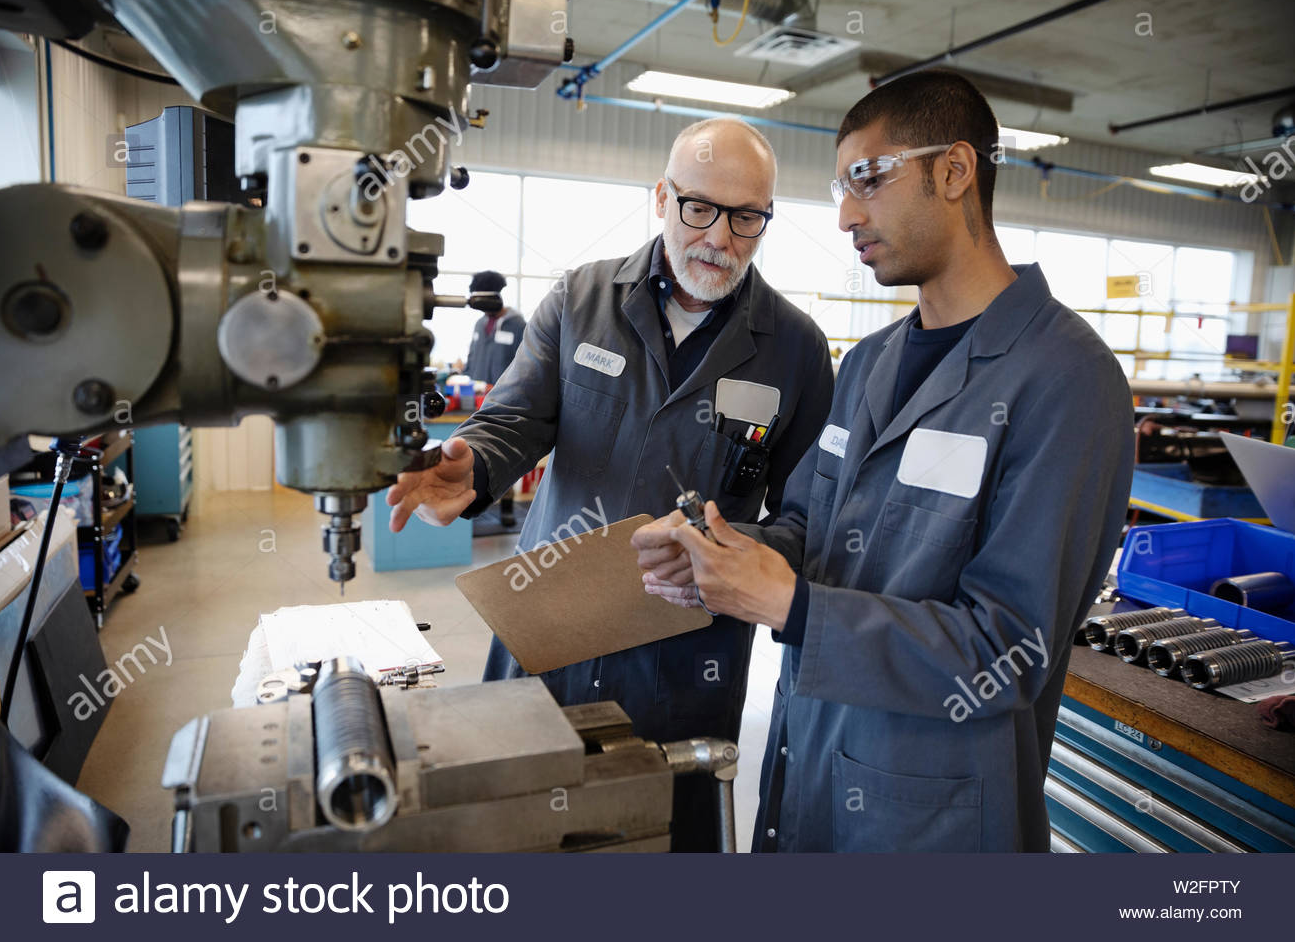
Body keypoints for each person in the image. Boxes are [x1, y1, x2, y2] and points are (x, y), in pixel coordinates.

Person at [631, 71, 1134, 852]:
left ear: (956, 170)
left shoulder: (1068, 381)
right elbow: (809, 527)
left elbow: (1007, 649)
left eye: (867, 178)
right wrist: (724, 555)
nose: (844, 214)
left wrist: (796, 609)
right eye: (840, 186)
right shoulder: (867, 364)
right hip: (811, 773)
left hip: (935, 820)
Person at [386, 117, 835, 851]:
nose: (720, 238)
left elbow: (809, 518)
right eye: (699, 207)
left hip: (687, 661)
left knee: (658, 851)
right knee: (519, 832)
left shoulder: (796, 351)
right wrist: (471, 464)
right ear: (660, 196)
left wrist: (728, 551)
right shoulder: (581, 299)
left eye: (747, 217)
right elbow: (514, 418)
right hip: (549, 626)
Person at [460, 271, 525, 526]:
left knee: (502, 454)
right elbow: (473, 355)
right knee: (474, 450)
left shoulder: (518, 325)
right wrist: (464, 376)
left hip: (504, 401)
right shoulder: (479, 325)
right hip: (474, 399)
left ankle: (507, 506)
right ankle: (474, 501)